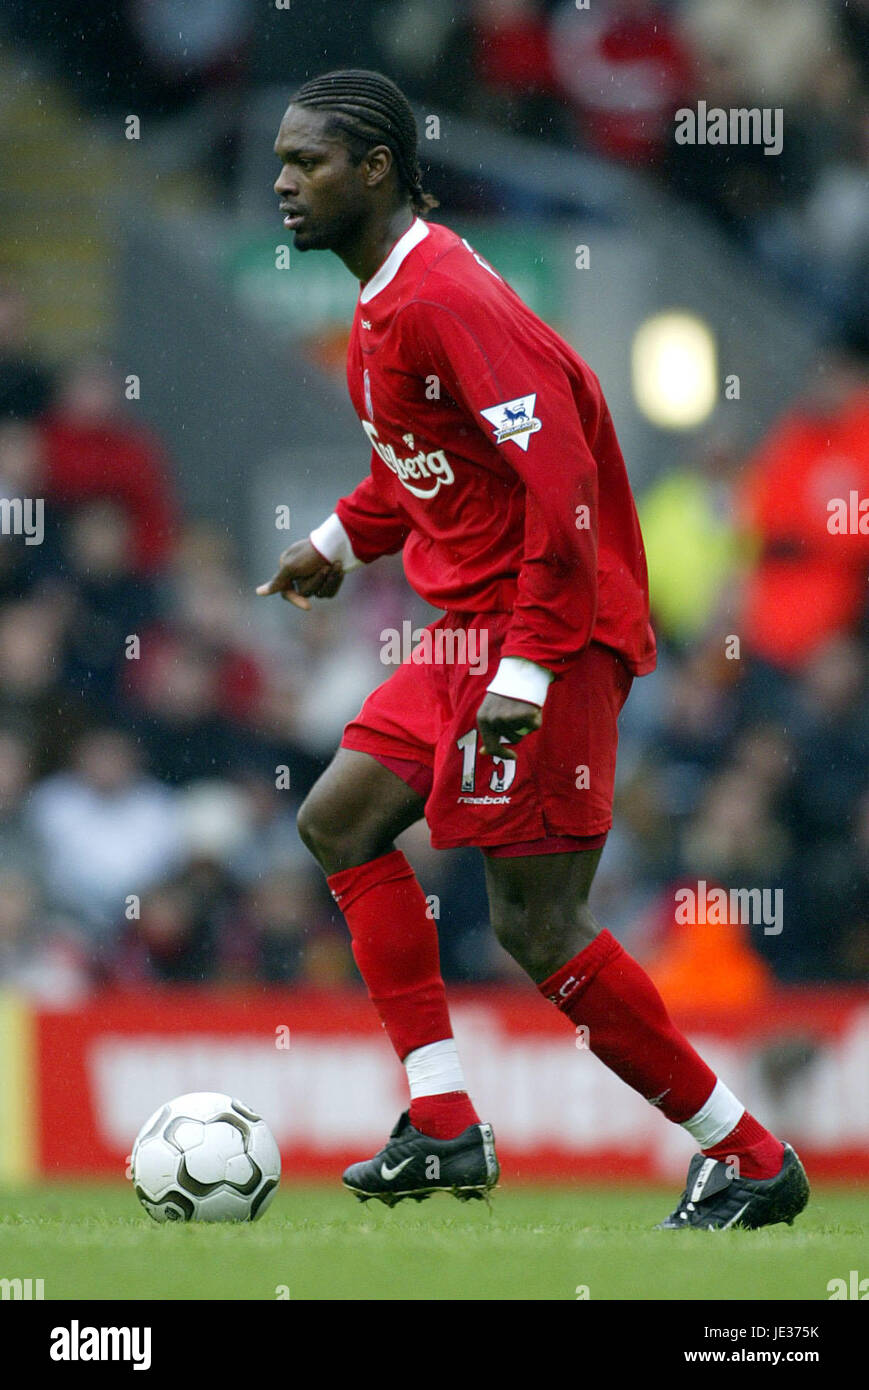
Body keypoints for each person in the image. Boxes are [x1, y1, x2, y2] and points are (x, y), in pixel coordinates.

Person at [257, 69, 809, 1230]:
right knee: (338, 819)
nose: (281, 181)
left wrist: (527, 668)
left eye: (305, 161)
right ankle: (445, 1125)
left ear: (374, 169)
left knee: (535, 925)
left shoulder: (443, 295)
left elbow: (556, 485)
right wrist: (332, 543)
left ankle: (749, 1155)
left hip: (544, 633)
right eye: (278, 160)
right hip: (470, 627)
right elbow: (429, 464)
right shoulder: (382, 300)